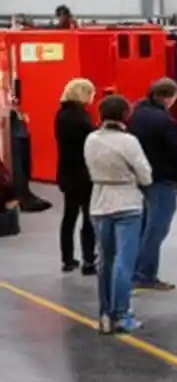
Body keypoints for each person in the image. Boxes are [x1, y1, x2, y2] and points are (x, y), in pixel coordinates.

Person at [84, 95, 152, 334]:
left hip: (99, 202)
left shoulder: (91, 139)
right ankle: (122, 314)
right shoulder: (128, 141)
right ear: (125, 115)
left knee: (105, 260)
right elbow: (145, 175)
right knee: (124, 261)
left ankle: (105, 313)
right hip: (127, 203)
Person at [129, 77, 177, 291]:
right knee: (158, 227)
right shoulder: (165, 122)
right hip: (162, 178)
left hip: (141, 177)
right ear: (169, 98)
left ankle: (135, 269)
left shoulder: (136, 114)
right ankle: (145, 273)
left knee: (143, 224)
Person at [55, 78, 97, 274]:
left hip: (67, 171)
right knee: (89, 217)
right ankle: (89, 259)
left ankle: (67, 258)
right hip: (84, 172)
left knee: (69, 216)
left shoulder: (61, 114)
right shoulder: (80, 117)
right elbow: (90, 138)